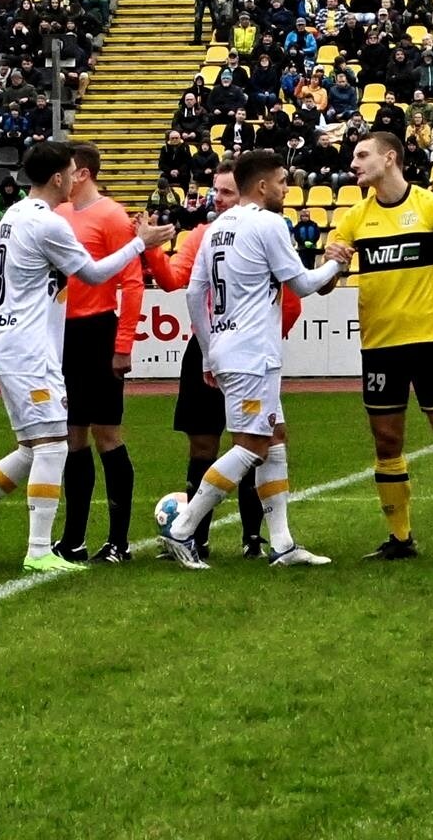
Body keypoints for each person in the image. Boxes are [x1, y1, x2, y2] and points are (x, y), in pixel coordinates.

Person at [0, 142, 172, 573]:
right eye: (71, 171)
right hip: (31, 347)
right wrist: (140, 244)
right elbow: (93, 274)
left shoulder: (14, 217)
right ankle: (39, 549)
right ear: (59, 177)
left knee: (30, 447)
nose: (75, 177)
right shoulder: (48, 223)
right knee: (56, 443)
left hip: (14, 342)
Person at [156, 149, 344, 569]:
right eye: (281, 181)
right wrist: (334, 264)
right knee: (253, 444)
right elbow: (302, 283)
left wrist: (207, 351)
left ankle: (283, 543)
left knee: (274, 438)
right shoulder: (268, 223)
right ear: (261, 185)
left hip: (228, 346)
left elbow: (192, 293)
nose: (285, 188)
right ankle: (183, 528)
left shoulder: (216, 227)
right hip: (253, 351)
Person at [323, 131, 433, 561]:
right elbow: (324, 286)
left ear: (389, 158)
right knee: (386, 443)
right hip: (379, 347)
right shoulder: (354, 218)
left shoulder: (431, 207)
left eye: (362, 155)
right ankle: (400, 539)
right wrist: (329, 261)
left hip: (431, 343)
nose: (353, 163)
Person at [140, 159, 300, 560]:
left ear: (245, 190)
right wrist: (153, 251)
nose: (220, 199)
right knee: (218, 443)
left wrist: (272, 331)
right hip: (216, 349)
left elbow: (289, 300)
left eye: (227, 191)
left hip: (237, 349)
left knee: (265, 439)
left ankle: (260, 540)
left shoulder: (249, 230)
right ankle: (192, 533)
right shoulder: (204, 235)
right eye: (216, 192)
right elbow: (176, 282)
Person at [52, 144, 145, 564]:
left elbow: (132, 282)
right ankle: (73, 538)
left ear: (82, 173)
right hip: (62, 333)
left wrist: (122, 344)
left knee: (106, 435)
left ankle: (119, 541)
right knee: (71, 436)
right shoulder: (57, 215)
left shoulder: (111, 216)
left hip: (98, 330)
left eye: (67, 170)